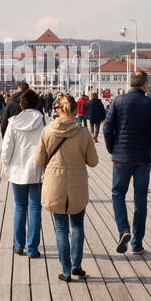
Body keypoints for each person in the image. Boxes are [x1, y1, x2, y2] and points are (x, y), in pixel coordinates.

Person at [103, 70, 151, 255]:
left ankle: (124, 229)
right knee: (140, 200)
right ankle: (137, 244)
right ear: (145, 84)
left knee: (117, 194)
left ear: (130, 83)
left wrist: (111, 148)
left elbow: (107, 128)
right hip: (143, 158)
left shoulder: (118, 101)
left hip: (121, 157)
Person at [38, 92, 99, 281]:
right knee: (78, 225)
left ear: (58, 110)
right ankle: (76, 266)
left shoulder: (48, 131)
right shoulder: (82, 133)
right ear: (74, 110)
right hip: (77, 183)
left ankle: (65, 271)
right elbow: (93, 161)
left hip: (55, 182)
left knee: (61, 228)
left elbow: (39, 159)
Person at [0, 89, 46, 258]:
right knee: (35, 209)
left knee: (20, 207)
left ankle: (18, 245)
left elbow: (6, 150)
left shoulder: (13, 123)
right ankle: (32, 249)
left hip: (17, 171)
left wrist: (6, 165)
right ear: (37, 104)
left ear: (21, 105)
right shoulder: (45, 121)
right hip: (38, 172)